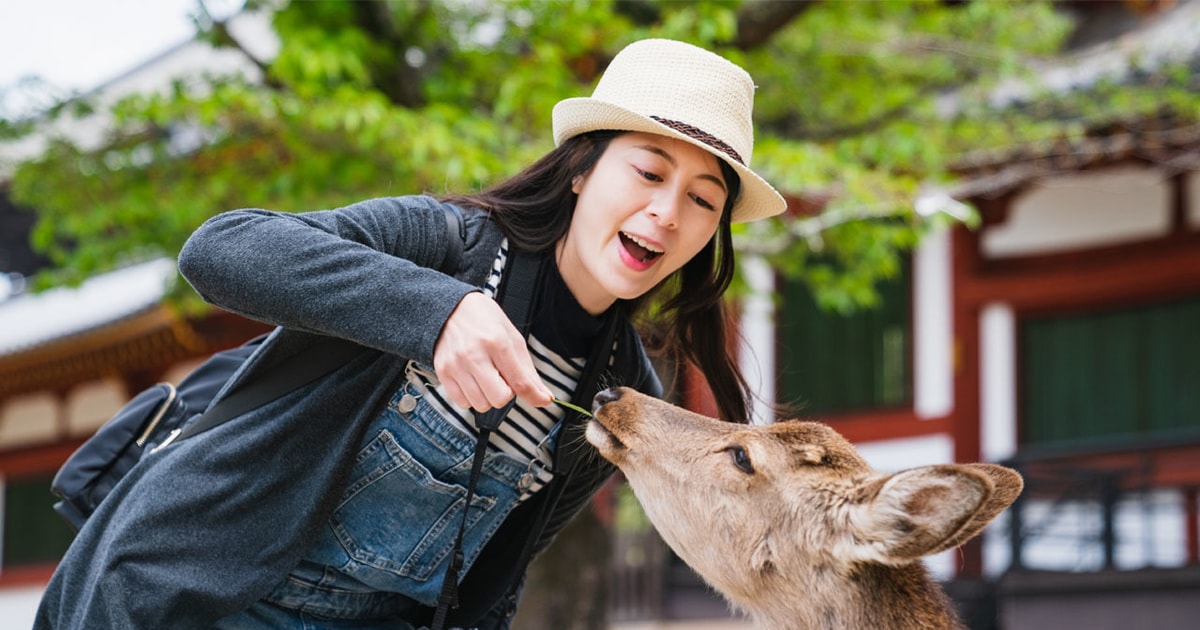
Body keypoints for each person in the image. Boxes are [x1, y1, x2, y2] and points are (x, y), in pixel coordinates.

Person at [34, 38, 785, 630]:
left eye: (702, 199)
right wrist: (439, 312)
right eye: (649, 173)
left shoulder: (619, 395)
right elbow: (220, 250)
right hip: (183, 601)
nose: (667, 213)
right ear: (581, 170)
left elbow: (496, 577)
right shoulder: (446, 244)